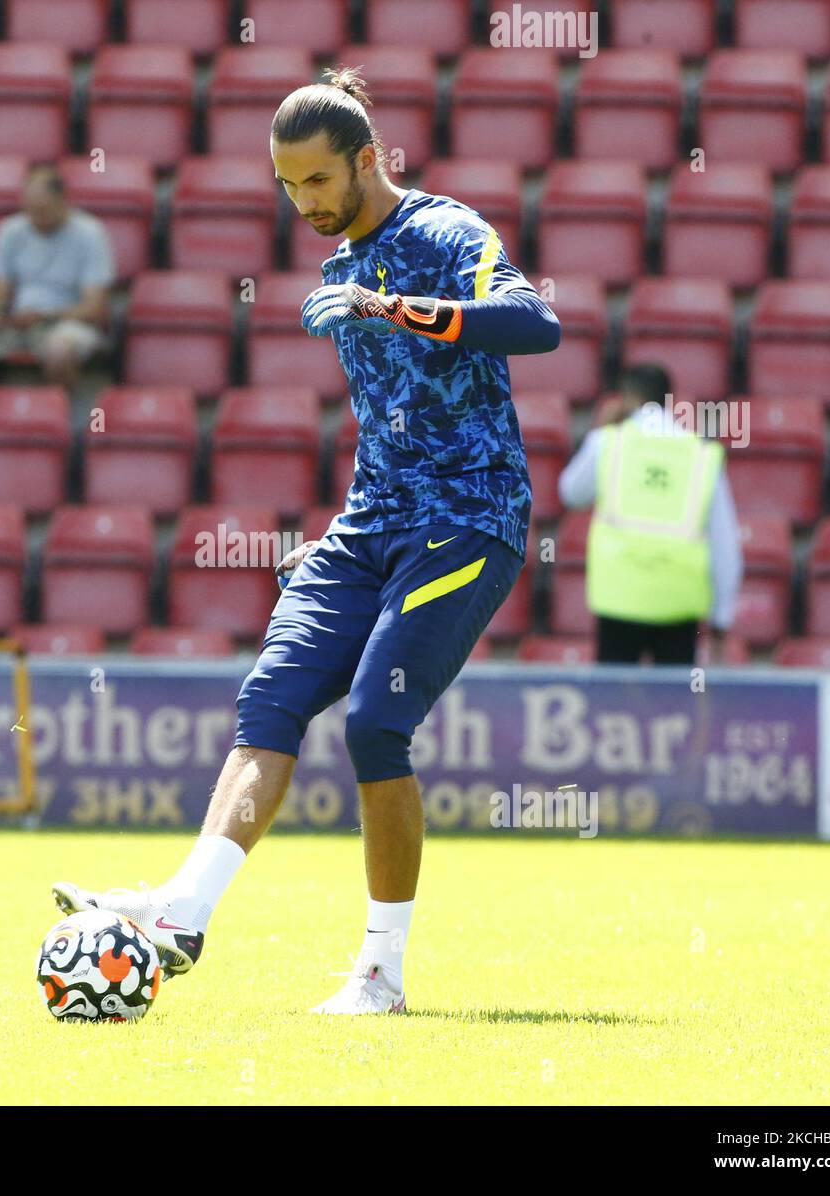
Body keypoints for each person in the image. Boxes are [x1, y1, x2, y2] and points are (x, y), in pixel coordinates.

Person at [48, 69, 561, 1015]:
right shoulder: (334, 270)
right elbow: (393, 418)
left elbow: (536, 325)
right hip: (370, 525)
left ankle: (380, 975)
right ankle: (183, 914)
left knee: (374, 722)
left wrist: (396, 307)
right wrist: (343, 528)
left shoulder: (447, 235)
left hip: (468, 521)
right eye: (288, 187)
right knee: (271, 700)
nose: (305, 203)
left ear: (368, 160)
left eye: (318, 182)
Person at [557, 364, 744, 665]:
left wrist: (600, 432)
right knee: (673, 707)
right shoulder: (702, 455)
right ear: (669, 400)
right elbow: (725, 545)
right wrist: (722, 617)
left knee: (615, 705)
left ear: (626, 397)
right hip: (679, 601)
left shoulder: (608, 442)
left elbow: (570, 492)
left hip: (619, 597)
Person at [0, 162, 114, 393]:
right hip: (18, 322)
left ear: (63, 201)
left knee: (59, 351)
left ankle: (55, 414)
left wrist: (43, 316)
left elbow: (94, 308)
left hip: (67, 323)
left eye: (42, 210)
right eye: (29, 210)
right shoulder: (11, 230)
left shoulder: (90, 233)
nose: (34, 217)